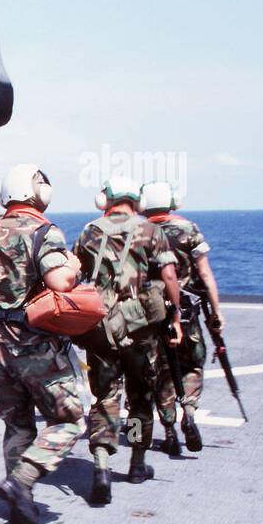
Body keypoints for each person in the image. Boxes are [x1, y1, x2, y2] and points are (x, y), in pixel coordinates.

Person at [0, 164, 85, 524]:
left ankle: (20, 506)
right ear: (35, 192)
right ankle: (23, 479)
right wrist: (74, 266)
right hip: (35, 345)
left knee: (17, 424)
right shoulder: (44, 231)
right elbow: (60, 281)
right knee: (69, 420)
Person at [73, 177, 182, 505]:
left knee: (105, 397)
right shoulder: (151, 230)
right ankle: (136, 465)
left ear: (106, 198)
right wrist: (175, 316)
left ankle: (102, 466)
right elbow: (169, 276)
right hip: (141, 330)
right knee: (139, 398)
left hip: (102, 328)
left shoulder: (89, 231)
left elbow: (74, 275)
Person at [141, 181, 223, 454]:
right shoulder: (189, 229)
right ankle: (189, 410)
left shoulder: (139, 232)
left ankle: (168, 430)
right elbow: (206, 274)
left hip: (152, 316)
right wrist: (217, 312)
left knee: (161, 374)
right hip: (187, 315)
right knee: (193, 364)